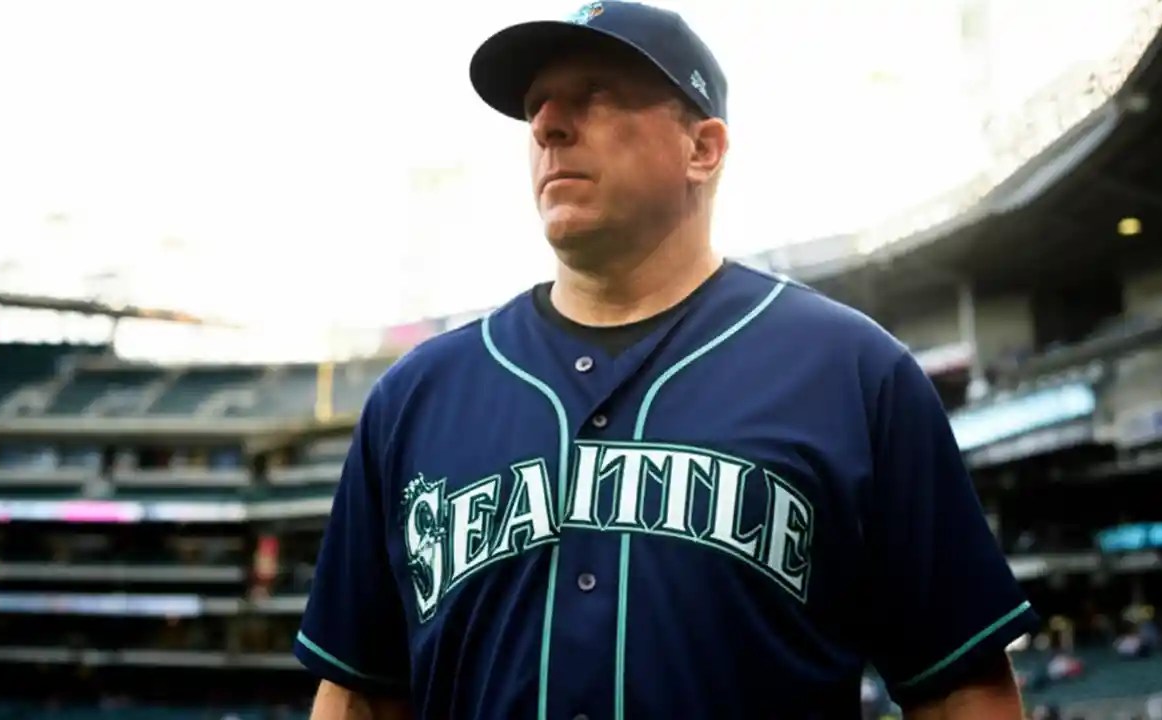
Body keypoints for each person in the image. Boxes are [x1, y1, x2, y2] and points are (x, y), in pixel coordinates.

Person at [295, 2, 1040, 718]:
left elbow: (955, 688)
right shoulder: (415, 397)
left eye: (596, 95)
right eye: (537, 107)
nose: (550, 125)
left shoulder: (852, 372)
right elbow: (361, 692)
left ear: (702, 148)